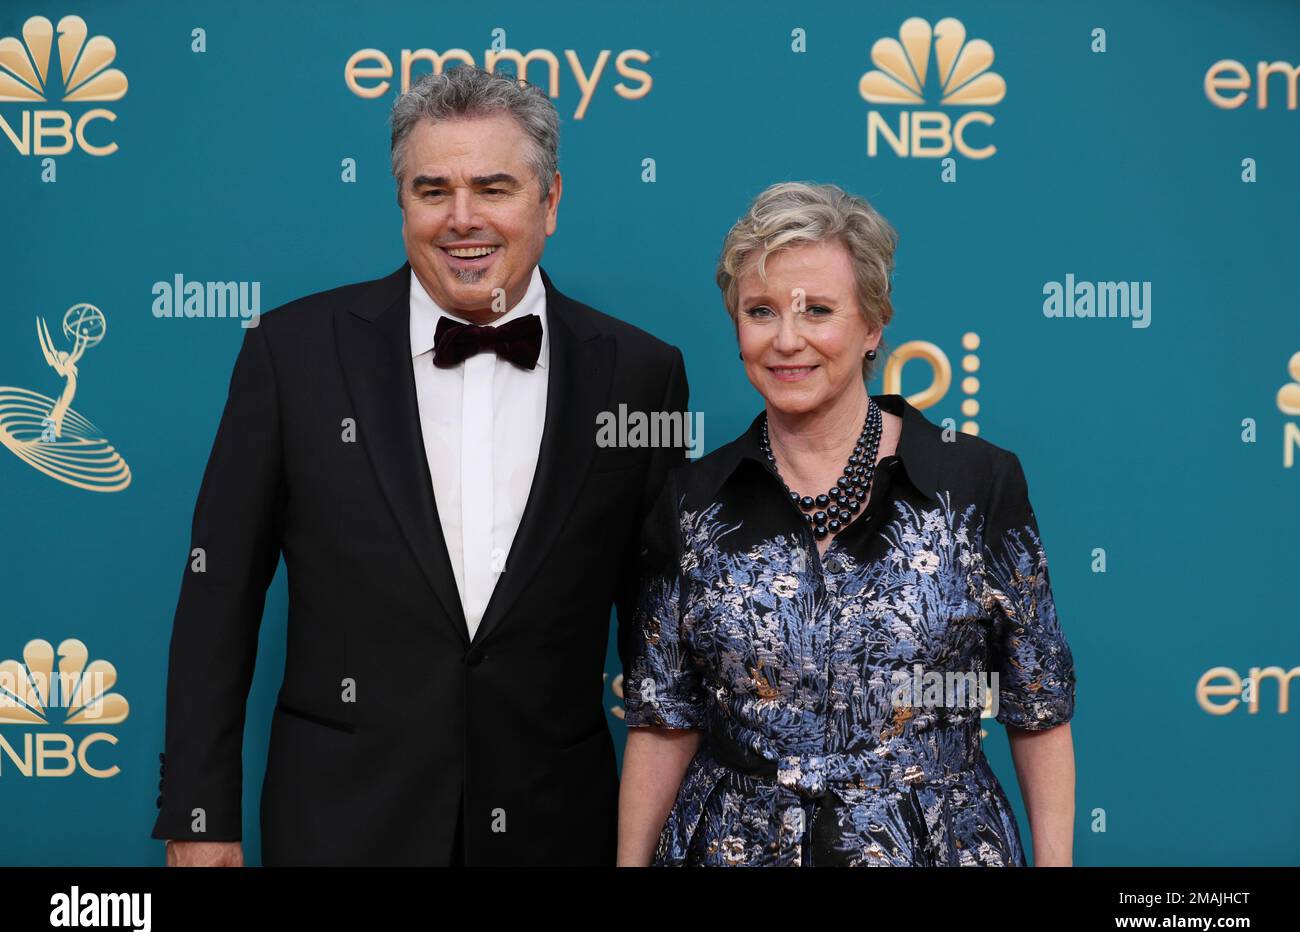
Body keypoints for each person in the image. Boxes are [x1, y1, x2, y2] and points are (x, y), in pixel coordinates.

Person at [152, 65, 689, 866]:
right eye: (433, 189)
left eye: (494, 188)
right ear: (401, 202)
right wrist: (198, 817)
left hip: (555, 826)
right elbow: (216, 596)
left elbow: (663, 632)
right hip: (340, 822)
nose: (462, 219)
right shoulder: (293, 354)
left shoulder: (641, 373)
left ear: (549, 202)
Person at [617, 182, 1075, 866]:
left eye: (818, 311)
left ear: (873, 326)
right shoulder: (690, 503)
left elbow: (1036, 707)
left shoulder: (974, 484)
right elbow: (663, 720)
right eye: (760, 312)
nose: (787, 340)